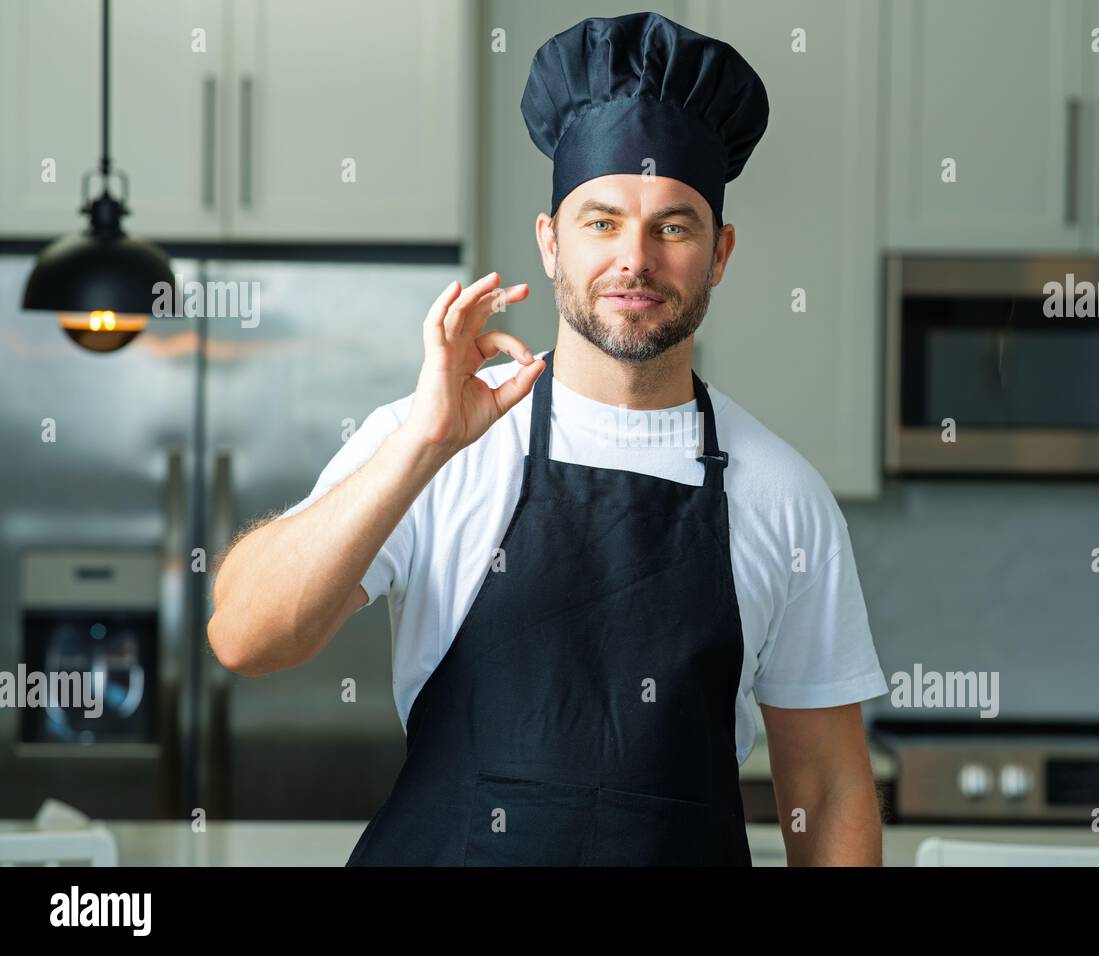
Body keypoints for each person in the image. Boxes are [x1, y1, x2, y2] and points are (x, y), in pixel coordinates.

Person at [209, 11, 888, 867]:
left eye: (672, 226)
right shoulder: (435, 443)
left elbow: (827, 788)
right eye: (601, 222)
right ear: (550, 244)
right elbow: (247, 637)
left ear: (719, 253)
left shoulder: (782, 493)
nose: (633, 260)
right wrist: (420, 445)